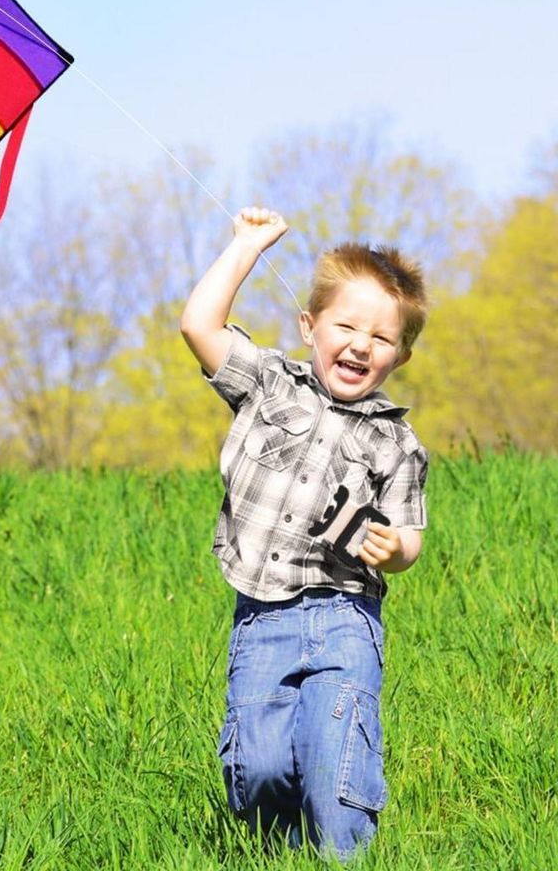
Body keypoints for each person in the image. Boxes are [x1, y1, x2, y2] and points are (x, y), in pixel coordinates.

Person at [179, 207, 429, 860]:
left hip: (348, 617)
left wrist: (393, 548)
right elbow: (198, 325)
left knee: (335, 763)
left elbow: (408, 538)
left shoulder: (397, 443)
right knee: (257, 770)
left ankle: (344, 855)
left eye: (381, 337)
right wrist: (246, 246)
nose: (360, 344)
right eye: (345, 325)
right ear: (308, 326)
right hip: (263, 620)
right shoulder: (268, 386)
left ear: (399, 355)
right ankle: (282, 846)